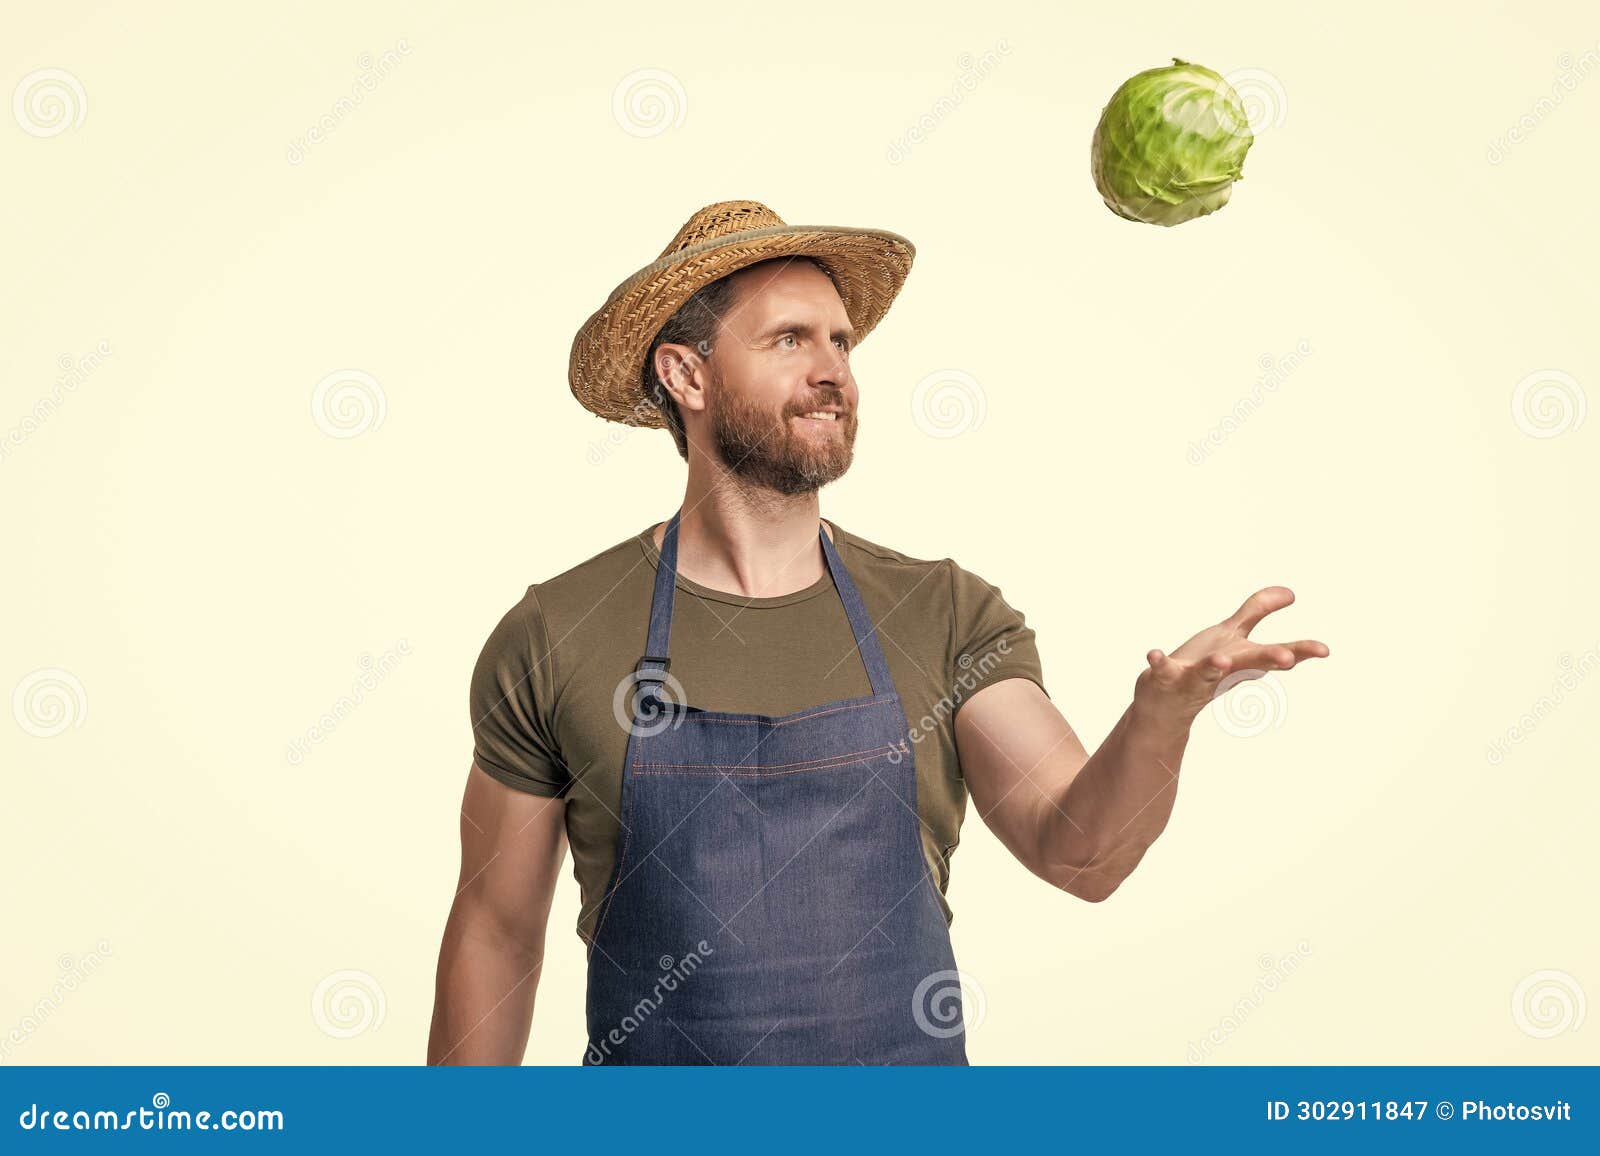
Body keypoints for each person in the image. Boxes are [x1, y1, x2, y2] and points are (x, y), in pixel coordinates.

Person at [426, 200, 1329, 1065]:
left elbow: (1081, 854)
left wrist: (1162, 717)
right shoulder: (557, 633)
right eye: (790, 340)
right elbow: (497, 935)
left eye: (841, 342)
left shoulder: (943, 613)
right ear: (686, 375)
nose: (834, 371)